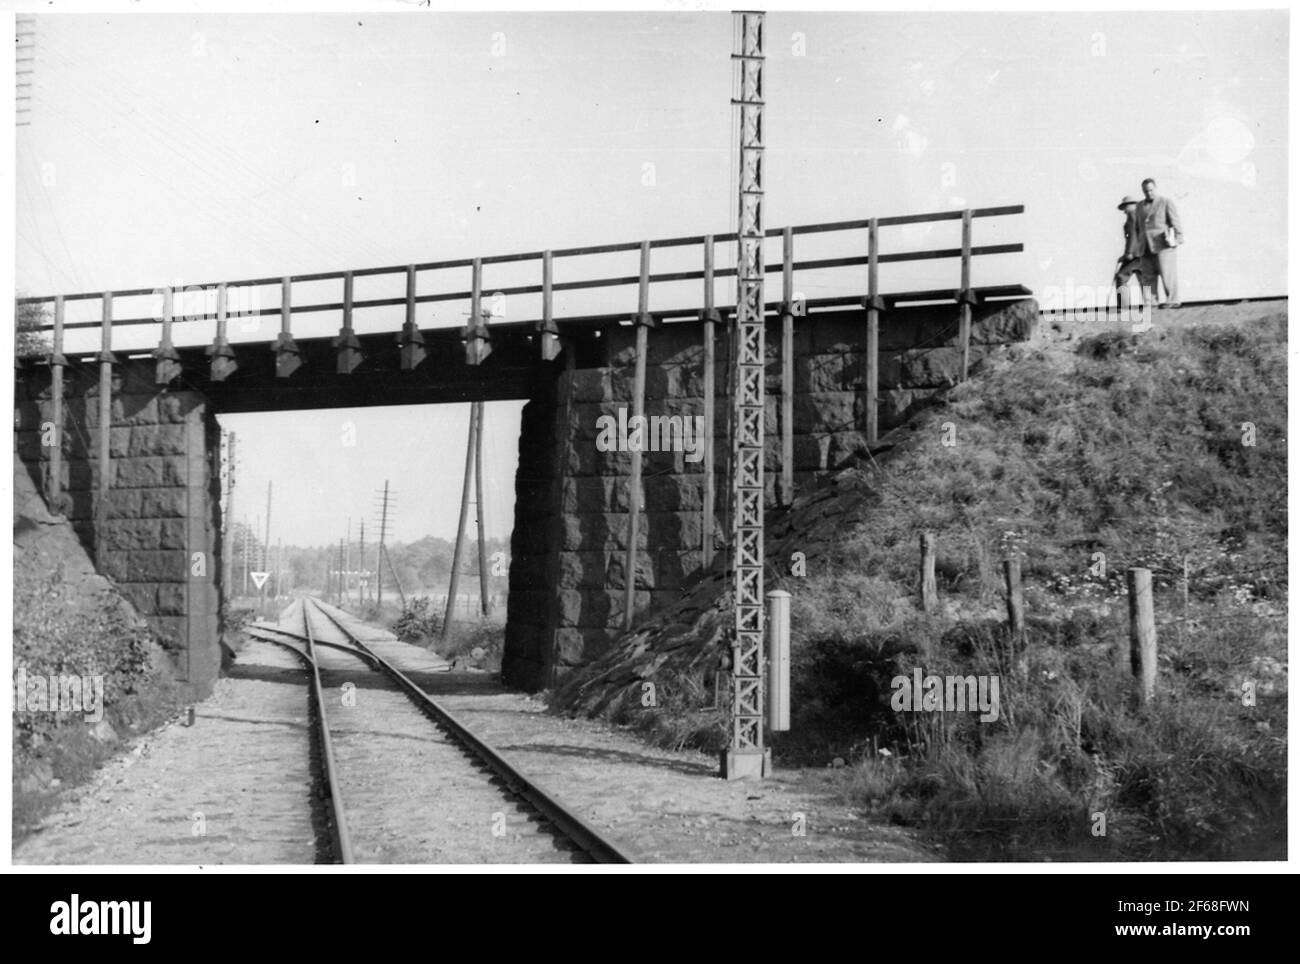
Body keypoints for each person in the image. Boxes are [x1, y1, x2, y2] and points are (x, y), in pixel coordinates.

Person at [1138, 178, 1184, 307]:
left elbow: (1175, 220)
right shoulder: (1139, 206)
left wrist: (1179, 237)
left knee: (1167, 273)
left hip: (1163, 244)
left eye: (1151, 190)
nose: (1149, 193)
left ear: (1155, 188)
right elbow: (1138, 226)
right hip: (1145, 245)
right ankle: (1151, 301)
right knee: (1147, 275)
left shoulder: (1165, 202)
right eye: (1146, 191)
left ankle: (1173, 300)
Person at [1113, 195, 1156, 316]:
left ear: (1131, 205)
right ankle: (1149, 305)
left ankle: (1124, 307)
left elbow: (1132, 236)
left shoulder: (1132, 215)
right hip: (1144, 253)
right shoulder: (1141, 216)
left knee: (1121, 276)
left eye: (1126, 207)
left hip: (1135, 254)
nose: (1125, 210)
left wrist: (1128, 253)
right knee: (1143, 278)